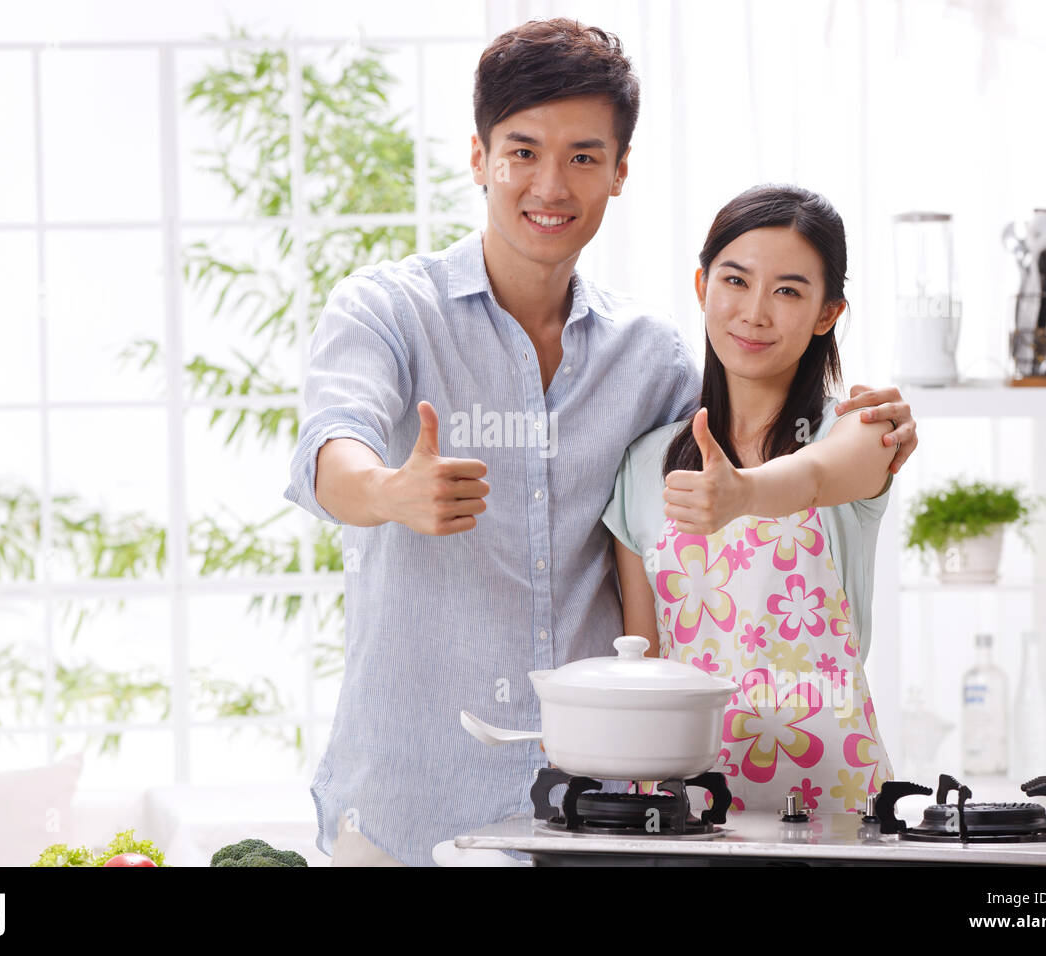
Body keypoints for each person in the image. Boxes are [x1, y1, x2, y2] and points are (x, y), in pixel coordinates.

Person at [284, 19, 917, 866]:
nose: (551, 183)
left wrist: (876, 431)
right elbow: (334, 446)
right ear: (479, 159)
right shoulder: (390, 311)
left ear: (620, 172)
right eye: (522, 151)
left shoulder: (650, 358)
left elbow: (764, 424)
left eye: (584, 155)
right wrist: (387, 492)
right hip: (410, 801)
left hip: (605, 817)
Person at [602, 184, 897, 815]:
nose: (755, 312)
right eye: (735, 280)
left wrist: (742, 494)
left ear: (828, 313)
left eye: (788, 290)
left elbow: (814, 477)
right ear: (703, 286)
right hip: (687, 807)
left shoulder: (857, 429)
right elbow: (646, 662)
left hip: (836, 814)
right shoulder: (642, 466)